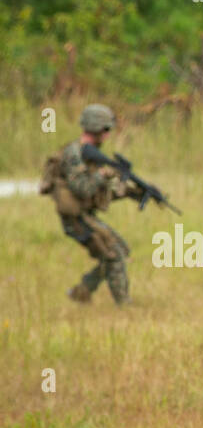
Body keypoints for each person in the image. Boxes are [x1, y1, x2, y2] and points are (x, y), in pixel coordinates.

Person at [39, 104, 142, 306]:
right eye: (106, 130)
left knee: (117, 250)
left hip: (83, 216)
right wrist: (103, 174)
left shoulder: (89, 154)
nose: (108, 135)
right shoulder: (74, 154)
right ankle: (124, 305)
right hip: (75, 220)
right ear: (98, 129)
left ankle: (82, 291)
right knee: (114, 253)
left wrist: (130, 192)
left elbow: (97, 195)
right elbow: (83, 189)